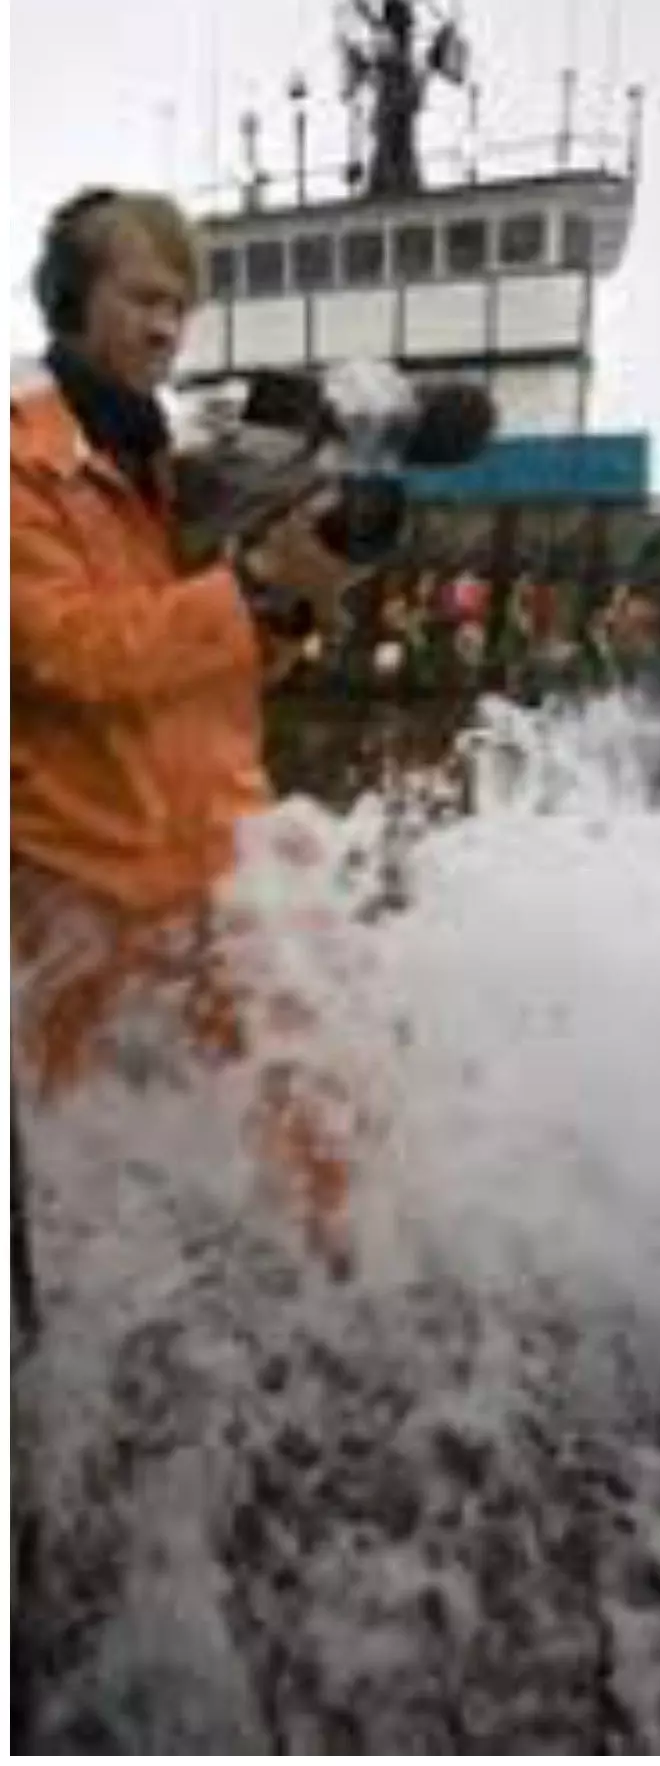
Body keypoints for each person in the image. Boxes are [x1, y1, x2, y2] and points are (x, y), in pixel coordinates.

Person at [12, 188, 363, 1255]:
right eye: (144, 298)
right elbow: (67, 651)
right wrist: (248, 589)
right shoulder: (19, 462)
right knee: (56, 1145)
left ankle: (348, 1287)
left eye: (182, 308)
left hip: (218, 853)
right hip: (79, 871)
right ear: (74, 298)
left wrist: (298, 600)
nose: (166, 329)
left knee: (316, 1109)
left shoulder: (166, 467)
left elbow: (219, 660)